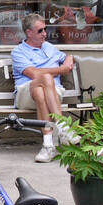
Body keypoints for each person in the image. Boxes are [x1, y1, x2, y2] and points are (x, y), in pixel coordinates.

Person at [11, 12, 77, 162]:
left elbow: (67, 56)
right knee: (44, 79)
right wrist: (61, 70)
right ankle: (63, 127)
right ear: (29, 32)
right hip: (25, 94)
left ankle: (48, 146)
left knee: (41, 93)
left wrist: (69, 59)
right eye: (40, 31)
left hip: (52, 92)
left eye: (45, 29)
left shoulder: (49, 48)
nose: (44, 34)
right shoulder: (18, 51)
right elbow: (34, 74)